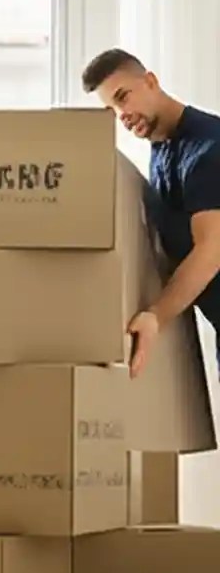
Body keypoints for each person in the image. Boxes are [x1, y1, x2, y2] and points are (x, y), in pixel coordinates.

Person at [82, 48, 220, 378]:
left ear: (151, 81)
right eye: (111, 109)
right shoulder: (162, 153)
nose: (122, 114)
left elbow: (212, 250)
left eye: (123, 97)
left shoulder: (208, 149)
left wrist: (155, 316)